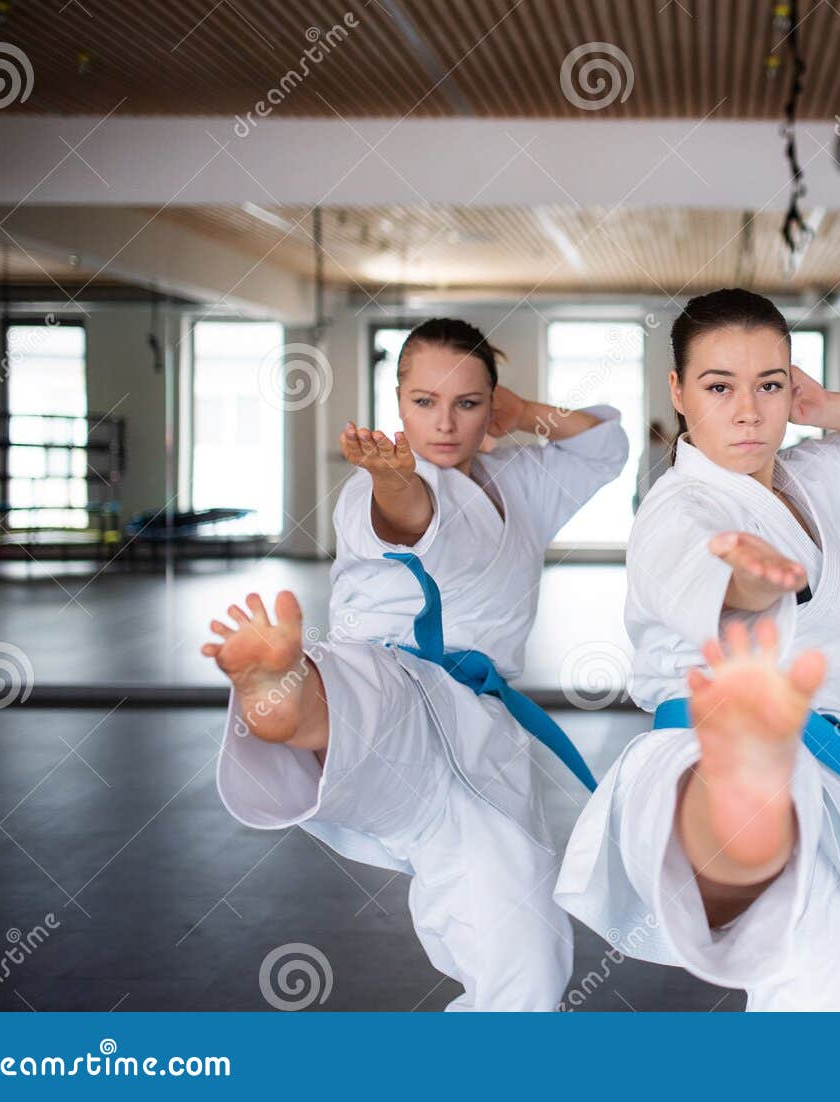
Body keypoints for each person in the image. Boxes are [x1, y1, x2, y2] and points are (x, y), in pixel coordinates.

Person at [556, 288, 840, 1011]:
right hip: (703, 754)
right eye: (718, 386)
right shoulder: (679, 508)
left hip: (821, 769)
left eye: (768, 384)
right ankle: (744, 805)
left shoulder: (812, 479)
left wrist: (823, 405)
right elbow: (695, 573)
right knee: (836, 978)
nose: (748, 411)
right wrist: (746, 578)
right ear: (677, 391)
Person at [204, 318, 627, 1010]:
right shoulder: (376, 488)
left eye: (468, 403)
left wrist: (526, 414)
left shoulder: (520, 483)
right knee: (368, 702)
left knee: (524, 942)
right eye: (424, 401)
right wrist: (393, 481)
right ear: (397, 401)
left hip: (478, 728)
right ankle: (287, 691)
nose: (445, 423)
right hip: (390, 674)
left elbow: (603, 449)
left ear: (493, 406)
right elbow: (413, 519)